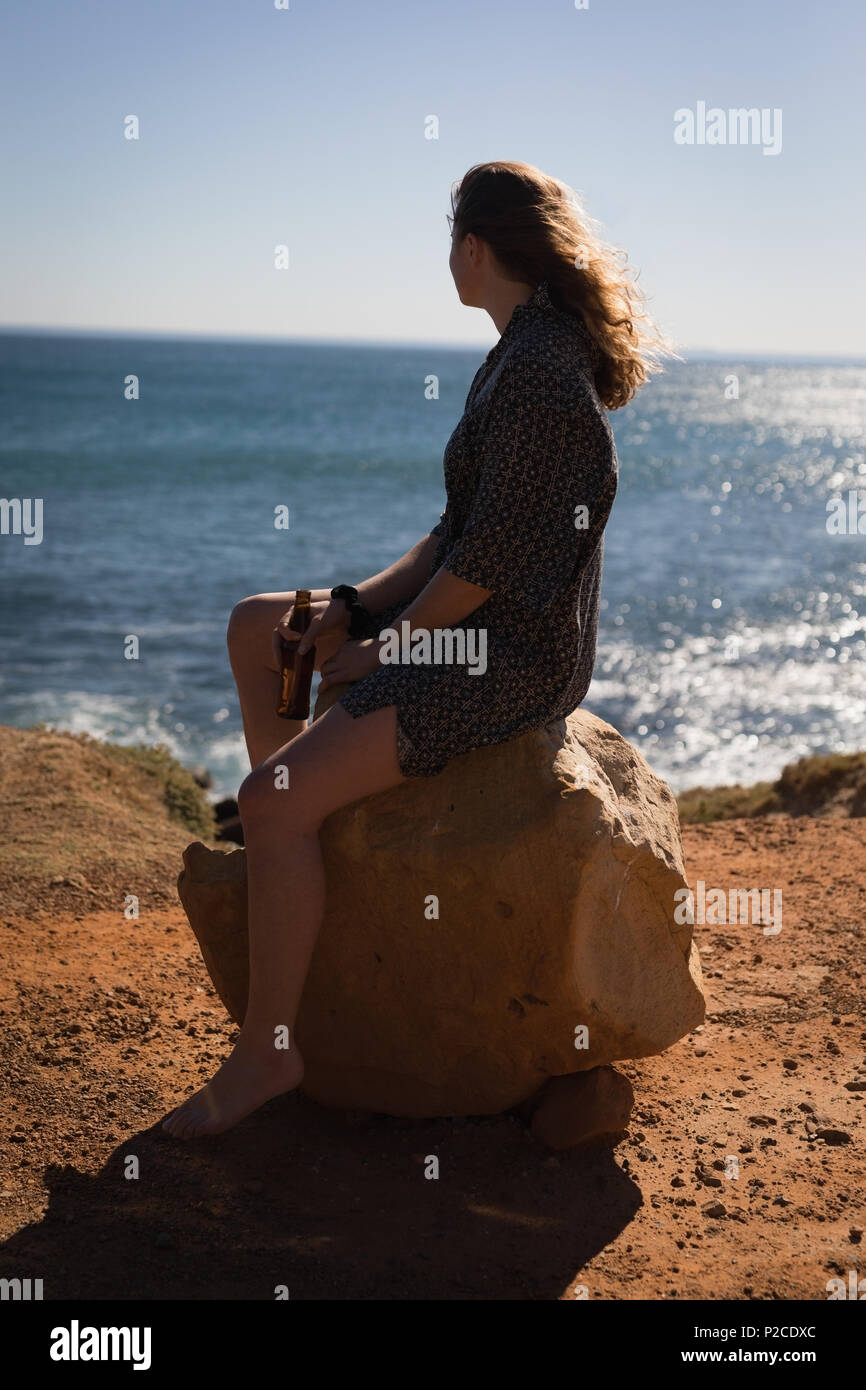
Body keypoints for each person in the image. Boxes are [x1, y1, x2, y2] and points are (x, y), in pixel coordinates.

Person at [162, 160, 668, 1138]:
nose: (446, 257)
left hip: (510, 657)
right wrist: (353, 606)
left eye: (449, 242)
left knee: (268, 799)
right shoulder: (514, 355)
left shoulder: (539, 373)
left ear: (473, 248)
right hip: (466, 618)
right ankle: (304, 839)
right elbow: (448, 536)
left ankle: (269, 1046)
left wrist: (384, 647)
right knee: (256, 625)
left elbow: (493, 562)